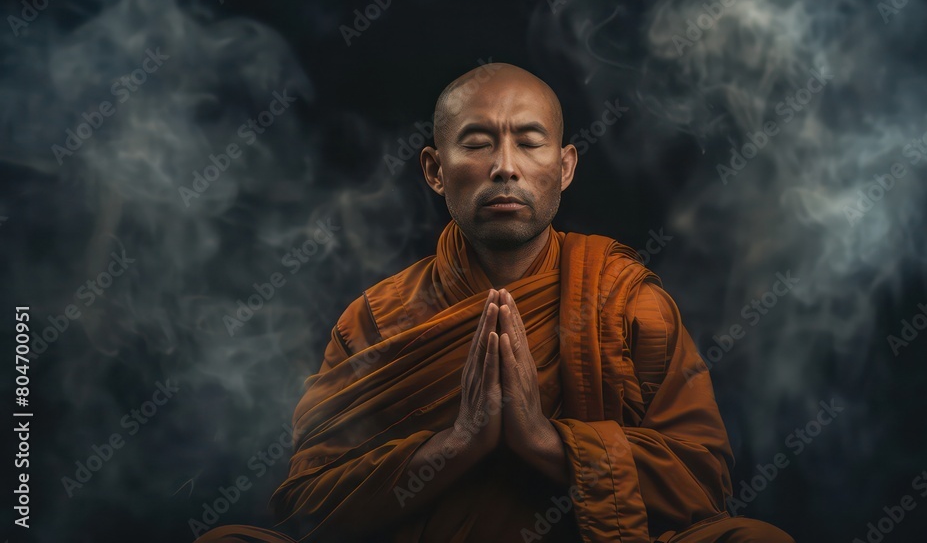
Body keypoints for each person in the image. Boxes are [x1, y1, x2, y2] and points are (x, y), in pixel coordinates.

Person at [196, 63, 794, 542]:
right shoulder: (377, 317)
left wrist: (543, 441)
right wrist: (459, 444)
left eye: (530, 144)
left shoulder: (627, 300)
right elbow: (311, 498)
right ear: (434, 169)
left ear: (564, 168)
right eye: (478, 144)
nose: (505, 167)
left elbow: (700, 480)